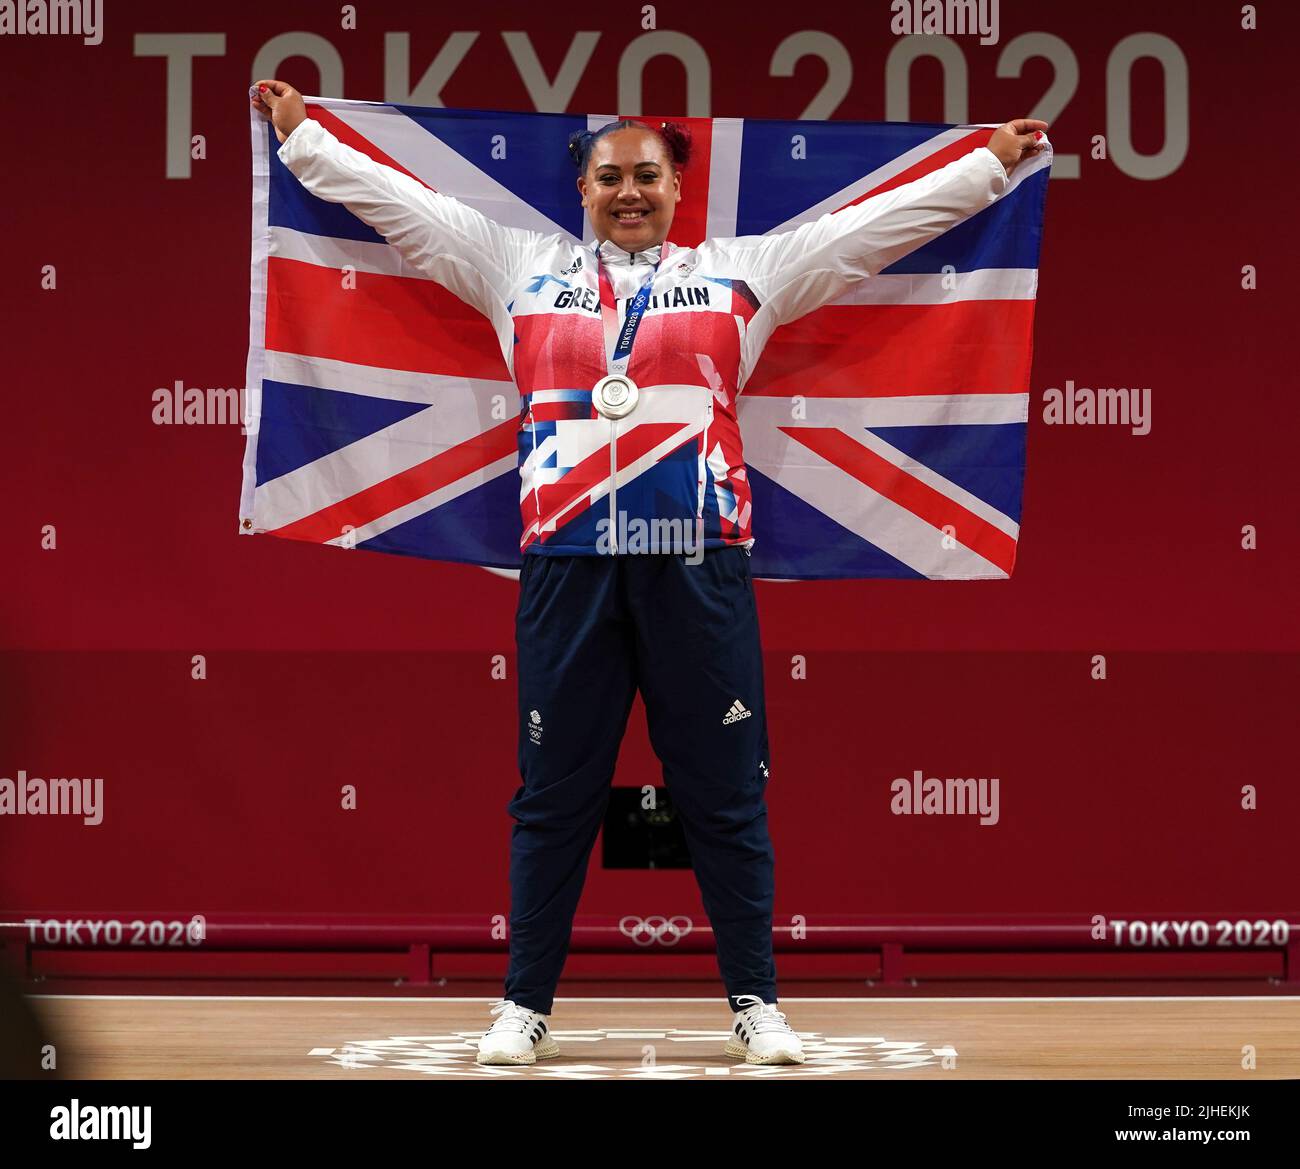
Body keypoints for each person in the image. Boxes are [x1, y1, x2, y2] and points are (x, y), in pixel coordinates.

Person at [249, 80, 1047, 1067]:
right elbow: (407, 209)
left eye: (648, 177)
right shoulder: (517, 266)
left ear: (678, 189)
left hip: (699, 560)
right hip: (567, 564)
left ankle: (757, 1005)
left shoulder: (742, 273)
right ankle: (522, 1006)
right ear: (581, 189)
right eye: (611, 177)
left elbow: (869, 229)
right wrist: (304, 141)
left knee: (724, 796)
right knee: (552, 798)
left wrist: (988, 164)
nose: (629, 192)